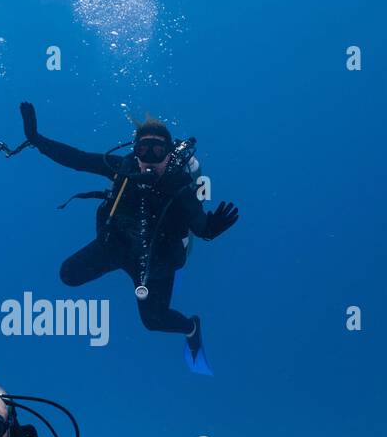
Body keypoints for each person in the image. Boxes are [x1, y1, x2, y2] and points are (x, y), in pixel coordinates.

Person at [14, 101, 238, 372]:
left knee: (153, 321)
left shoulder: (180, 187)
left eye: (158, 150)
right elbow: (76, 159)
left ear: (169, 154)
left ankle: (191, 328)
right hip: (116, 248)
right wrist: (35, 138)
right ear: (135, 152)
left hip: (156, 263)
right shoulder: (122, 169)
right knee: (68, 275)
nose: (151, 158)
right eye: (144, 149)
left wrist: (209, 232)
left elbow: (199, 225)